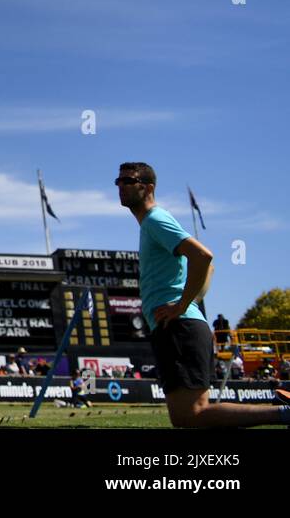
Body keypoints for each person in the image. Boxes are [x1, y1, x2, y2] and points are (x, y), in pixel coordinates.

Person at [119, 161, 290, 426]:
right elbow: (208, 267)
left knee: (191, 415)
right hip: (181, 325)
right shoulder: (151, 223)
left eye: (128, 181)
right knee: (189, 417)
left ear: (147, 187)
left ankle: (285, 413)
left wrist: (181, 305)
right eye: (119, 182)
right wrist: (191, 303)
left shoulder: (155, 219)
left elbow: (203, 257)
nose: (121, 186)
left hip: (179, 327)